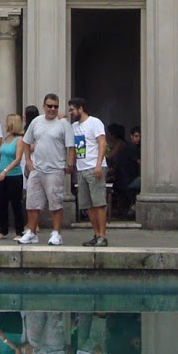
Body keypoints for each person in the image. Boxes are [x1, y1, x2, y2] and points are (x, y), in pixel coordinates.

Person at [18, 94, 75, 246]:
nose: (52, 109)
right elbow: (25, 141)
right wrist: (29, 160)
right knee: (32, 202)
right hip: (37, 168)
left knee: (55, 203)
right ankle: (31, 232)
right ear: (44, 106)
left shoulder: (63, 124)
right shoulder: (36, 122)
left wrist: (70, 164)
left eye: (55, 106)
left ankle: (56, 233)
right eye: (49, 106)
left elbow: (70, 146)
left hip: (55, 168)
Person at [70, 97, 108, 247]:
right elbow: (73, 147)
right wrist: (71, 165)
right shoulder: (74, 126)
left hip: (94, 166)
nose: (71, 113)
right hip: (82, 168)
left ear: (80, 109)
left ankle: (103, 236)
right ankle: (96, 233)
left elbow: (102, 143)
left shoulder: (95, 122)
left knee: (98, 203)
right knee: (87, 204)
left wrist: (99, 164)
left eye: (73, 109)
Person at [0, 113, 26, 238]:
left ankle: (19, 230)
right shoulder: (7, 138)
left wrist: (5, 171)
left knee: (16, 203)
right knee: (2, 203)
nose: (5, 125)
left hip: (13, 175)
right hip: (1, 174)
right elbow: (2, 154)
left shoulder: (20, 140)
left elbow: (17, 159)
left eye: (7, 122)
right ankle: (3, 230)